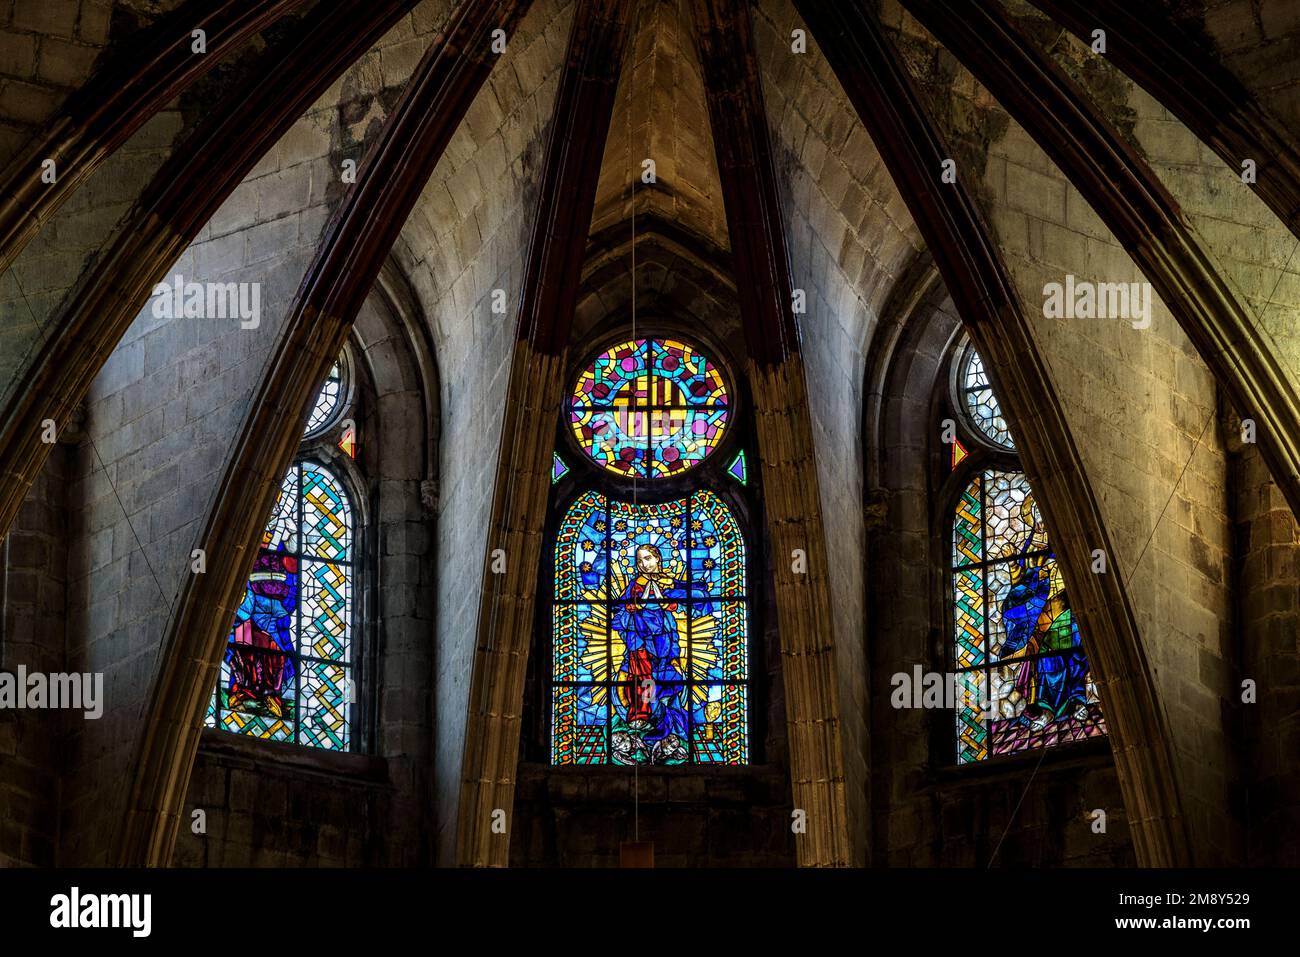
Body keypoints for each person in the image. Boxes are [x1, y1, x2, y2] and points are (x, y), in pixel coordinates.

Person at [611, 543, 709, 763]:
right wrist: (630, 609)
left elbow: (686, 596)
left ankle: (669, 727)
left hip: (664, 633)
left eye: (647, 558)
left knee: (667, 676)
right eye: (639, 561)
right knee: (642, 676)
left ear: (658, 559)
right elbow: (620, 607)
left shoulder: (668, 581)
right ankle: (644, 717)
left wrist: (671, 600)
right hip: (640, 635)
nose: (643, 564)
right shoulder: (636, 584)